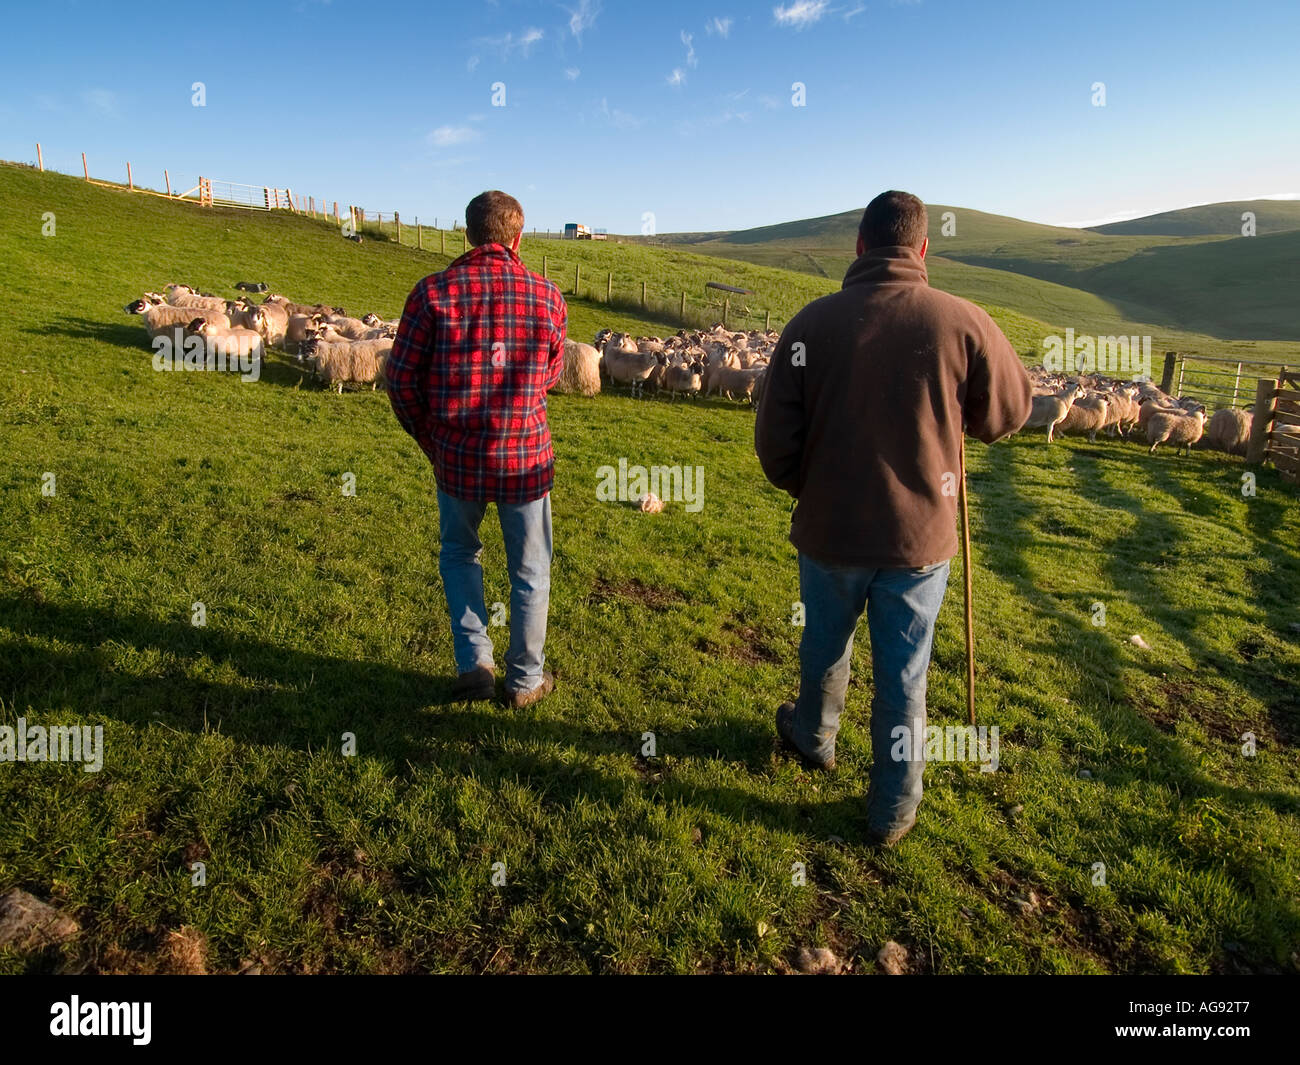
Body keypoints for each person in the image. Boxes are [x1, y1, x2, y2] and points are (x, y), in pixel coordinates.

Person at [754, 189, 1032, 845]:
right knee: (905, 675)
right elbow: (1010, 413)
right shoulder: (963, 322)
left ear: (859, 246)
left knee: (823, 645)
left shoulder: (810, 324)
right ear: (923, 248)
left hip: (830, 530)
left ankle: (814, 736)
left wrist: (812, 488)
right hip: (920, 541)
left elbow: (773, 441)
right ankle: (892, 810)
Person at [387, 190, 566, 708]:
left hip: (457, 458)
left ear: (467, 233)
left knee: (461, 552)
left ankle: (474, 664)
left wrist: (433, 440)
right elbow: (551, 374)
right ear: (517, 236)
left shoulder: (431, 293)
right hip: (525, 460)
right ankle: (525, 680)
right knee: (531, 569)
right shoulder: (547, 296)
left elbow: (401, 380)